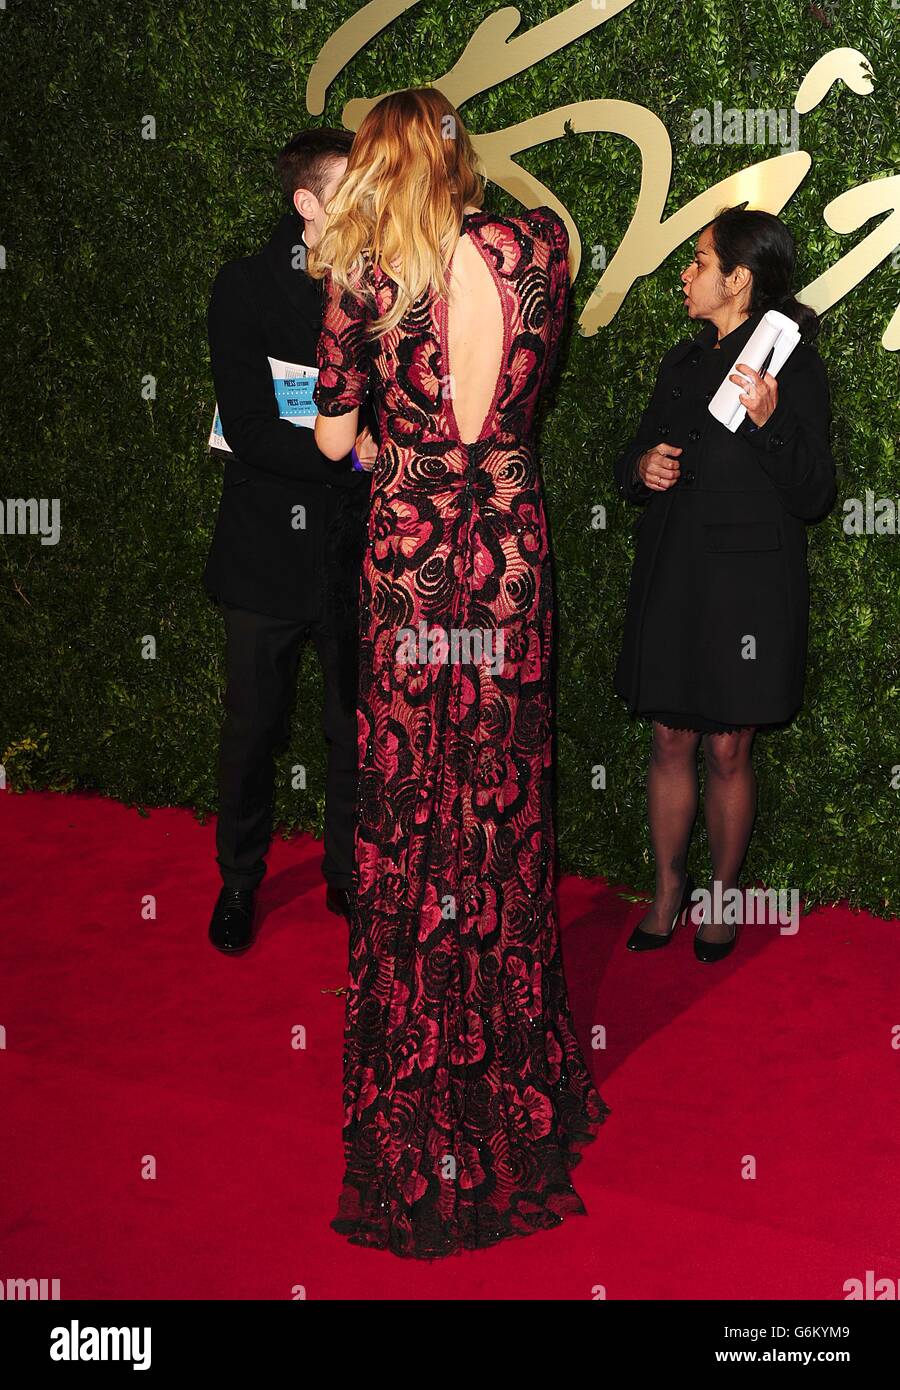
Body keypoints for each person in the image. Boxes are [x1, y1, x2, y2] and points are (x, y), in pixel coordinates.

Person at [307, 88, 609, 1257]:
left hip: (413, 562)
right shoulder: (538, 249)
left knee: (409, 802)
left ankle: (418, 1069)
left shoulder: (365, 280)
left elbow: (335, 440)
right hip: (513, 558)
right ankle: (511, 1060)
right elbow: (546, 247)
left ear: (379, 165)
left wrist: (402, 449)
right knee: (498, 800)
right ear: (463, 158)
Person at [613, 207, 836, 963]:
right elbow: (632, 459)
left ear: (738, 280)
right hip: (675, 570)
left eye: (699, 261)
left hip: (746, 588)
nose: (686, 273)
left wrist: (771, 422)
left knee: (729, 749)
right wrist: (642, 470)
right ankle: (668, 891)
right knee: (669, 736)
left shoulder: (791, 364)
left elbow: (815, 493)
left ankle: (720, 896)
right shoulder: (680, 361)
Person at [203, 129, 375, 954]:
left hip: (355, 550)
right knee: (253, 728)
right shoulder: (241, 288)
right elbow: (248, 428)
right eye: (353, 191)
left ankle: (346, 876)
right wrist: (348, 453)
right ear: (307, 204)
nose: (372, 207)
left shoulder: (386, 290)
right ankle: (239, 881)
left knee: (354, 727)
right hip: (264, 549)